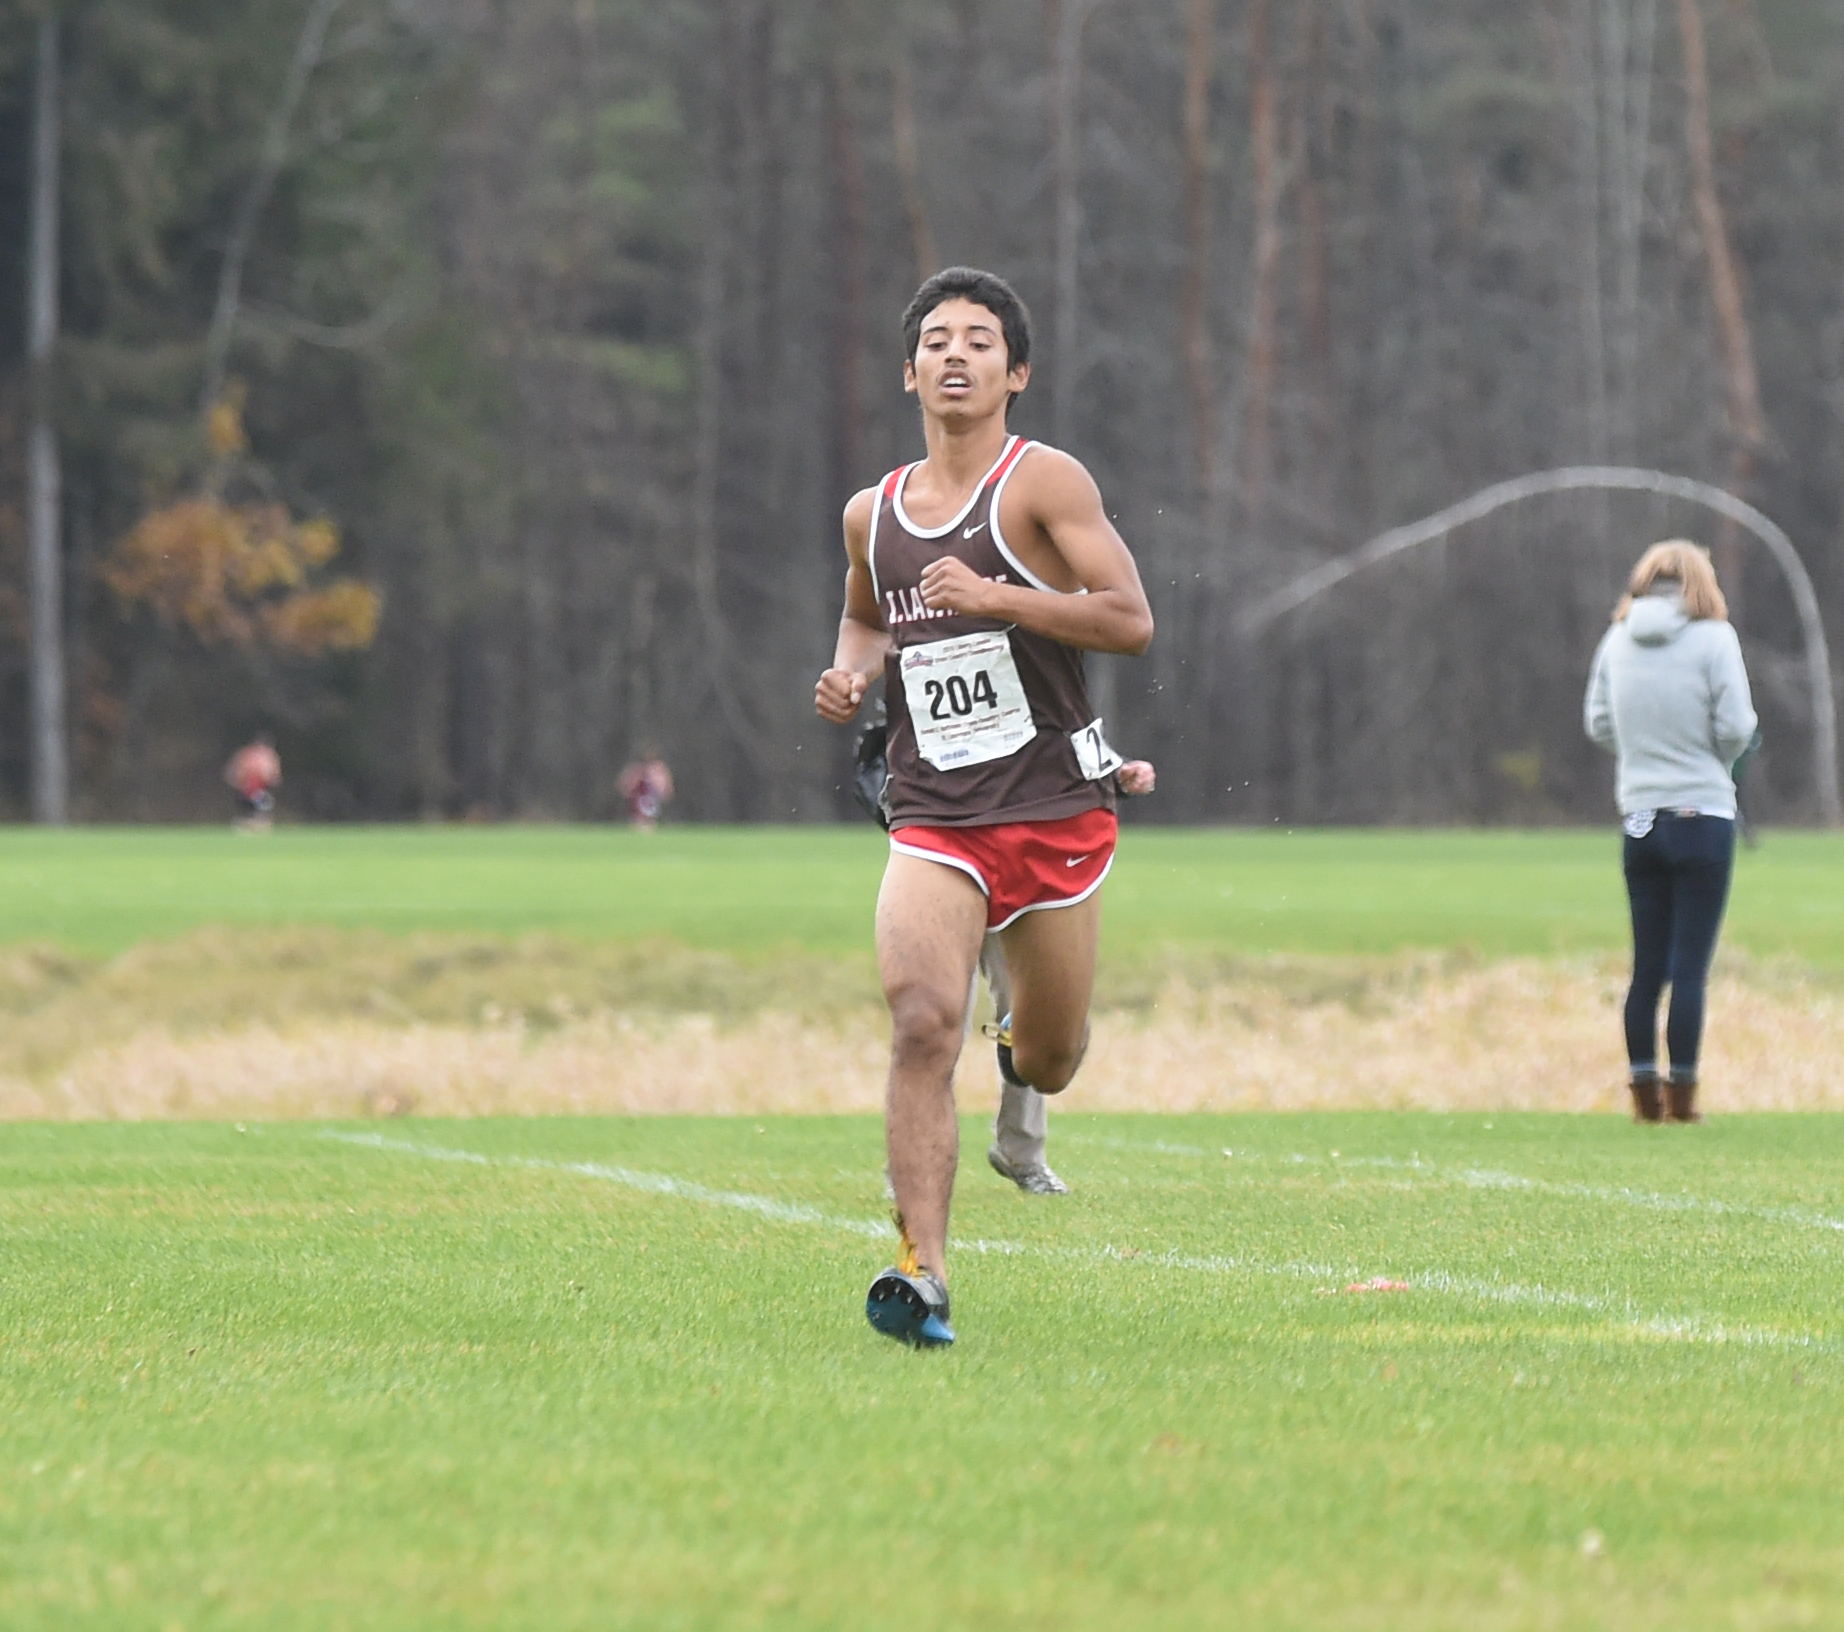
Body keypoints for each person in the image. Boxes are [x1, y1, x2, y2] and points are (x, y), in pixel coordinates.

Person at [815, 266, 1154, 1346]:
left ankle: (1026, 1088)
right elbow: (868, 615)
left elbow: (1129, 619)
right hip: (931, 813)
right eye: (934, 340)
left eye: (976, 341)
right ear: (908, 368)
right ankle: (922, 1273)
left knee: (1050, 1051)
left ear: (1015, 373)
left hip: (1052, 809)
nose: (953, 355)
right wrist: (849, 671)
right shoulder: (871, 512)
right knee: (921, 1021)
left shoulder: (1041, 484)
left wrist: (1000, 595)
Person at [852, 697, 1157, 1195]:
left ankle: (1022, 1153)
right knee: (930, 1016)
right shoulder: (930, 662)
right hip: (943, 856)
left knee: (1028, 1015)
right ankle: (907, 1164)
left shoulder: (1026, 669)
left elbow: (1065, 737)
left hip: (1023, 860)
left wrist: (1115, 768)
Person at [1584, 540, 1758, 1124]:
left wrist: (1643, 756)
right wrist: (1713, 759)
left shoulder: (1617, 638)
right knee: (1690, 967)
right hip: (1702, 813)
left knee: (1647, 966)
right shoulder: (1714, 639)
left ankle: (1643, 1095)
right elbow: (1735, 725)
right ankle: (1683, 1096)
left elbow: (1599, 722)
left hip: (1639, 815)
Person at [223, 735, 281, 830]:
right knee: (256, 809)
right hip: (252, 788)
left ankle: (253, 824)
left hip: (257, 788)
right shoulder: (257, 755)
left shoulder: (250, 754)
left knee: (261, 809)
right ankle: (251, 824)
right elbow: (272, 774)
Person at [617, 751, 674, 830]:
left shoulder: (658, 770)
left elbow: (665, 785)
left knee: (650, 819)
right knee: (639, 819)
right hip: (640, 799)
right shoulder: (636, 771)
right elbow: (627, 786)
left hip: (652, 799)